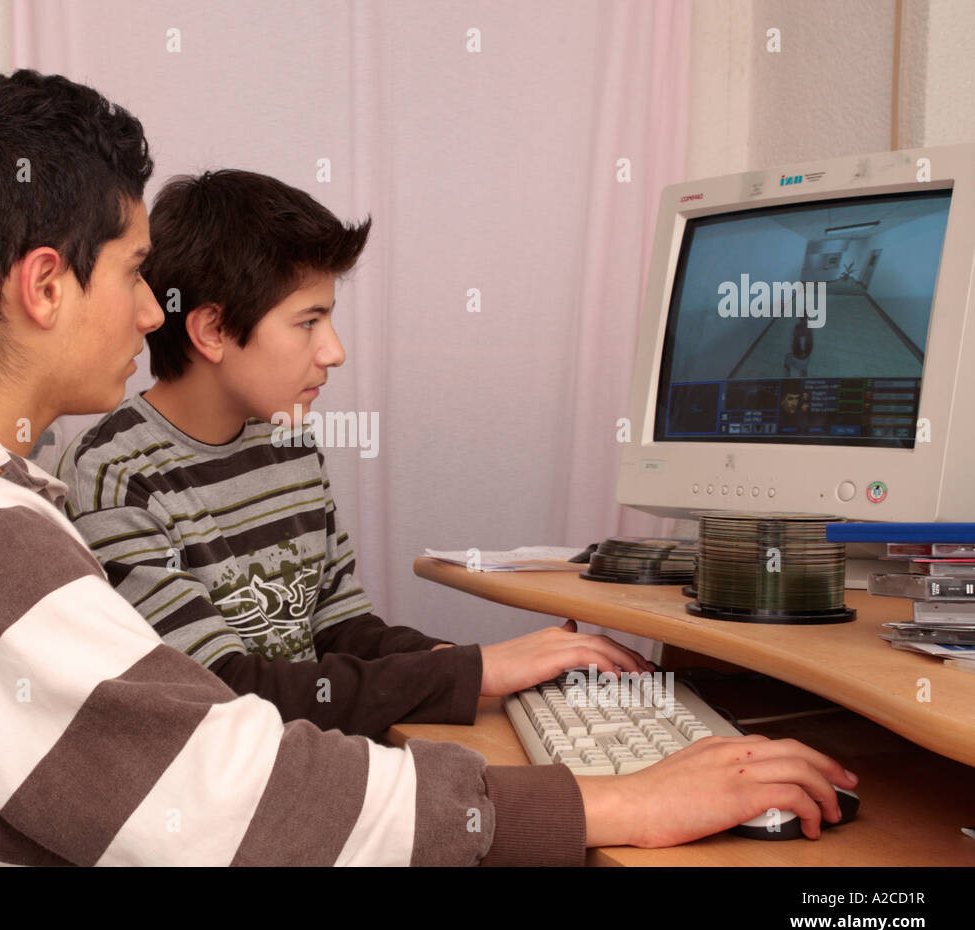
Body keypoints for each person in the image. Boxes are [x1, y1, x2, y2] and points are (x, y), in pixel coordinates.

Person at [0, 69, 857, 867]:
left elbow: (211, 731)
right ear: (43, 286)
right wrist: (604, 800)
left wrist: (503, 693)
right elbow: (217, 787)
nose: (147, 309)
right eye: (132, 272)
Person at [58, 169, 652, 738]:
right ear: (212, 331)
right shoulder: (113, 475)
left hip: (312, 755)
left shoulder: (286, 441)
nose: (334, 352)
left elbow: (341, 627)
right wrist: (475, 672)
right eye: (308, 322)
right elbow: (220, 690)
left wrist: (483, 664)